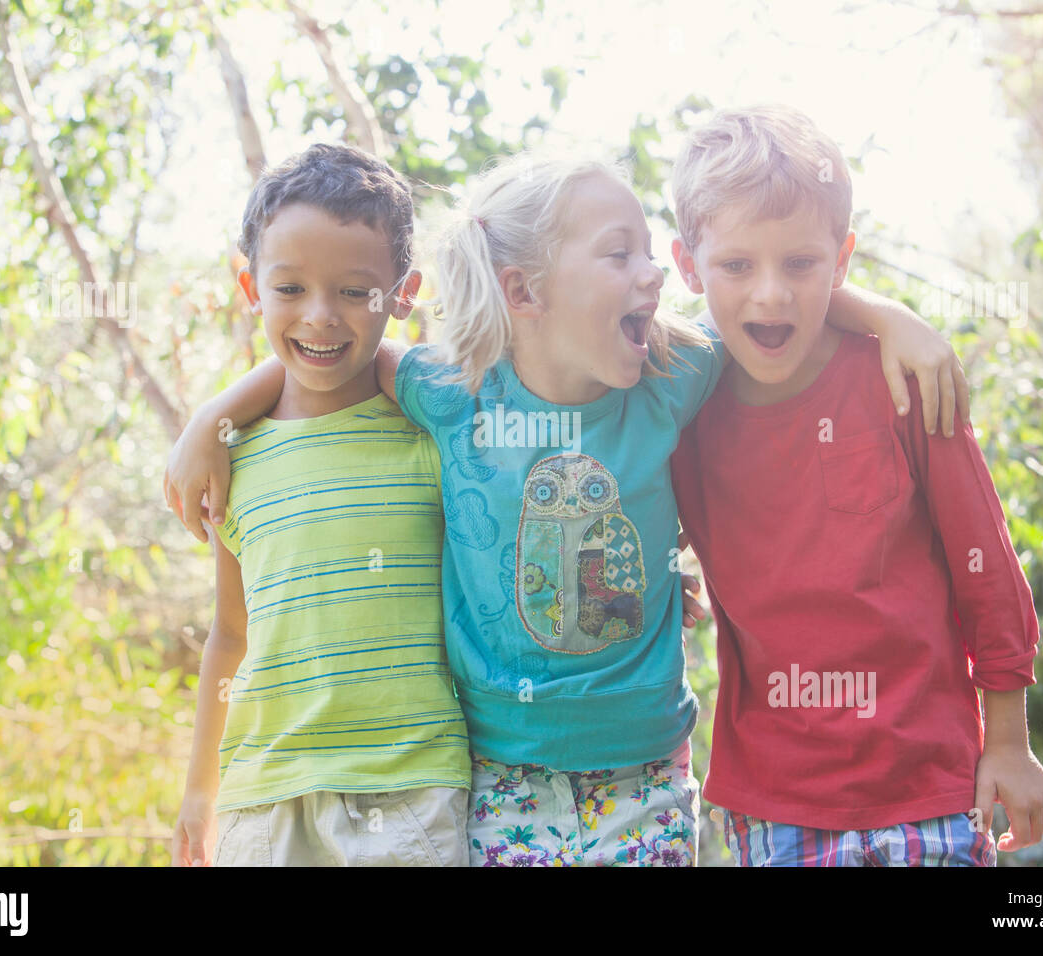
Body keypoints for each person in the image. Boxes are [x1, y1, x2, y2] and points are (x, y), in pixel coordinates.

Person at [164, 148, 968, 865]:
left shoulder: (667, 380)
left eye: (651, 254)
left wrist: (887, 316)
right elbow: (340, 355)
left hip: (645, 769)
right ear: (523, 289)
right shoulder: (453, 396)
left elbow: (768, 308)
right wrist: (216, 416)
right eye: (621, 254)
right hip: (500, 774)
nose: (652, 276)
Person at [668, 105, 1043, 866]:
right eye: (737, 266)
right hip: (772, 799)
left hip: (931, 785)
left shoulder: (903, 381)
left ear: (842, 258)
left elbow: (989, 568)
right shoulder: (676, 403)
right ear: (688, 266)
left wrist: (1007, 741)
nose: (771, 296)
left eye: (802, 265)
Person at [170, 143, 470, 867]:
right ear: (251, 288)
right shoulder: (232, 457)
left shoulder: (434, 438)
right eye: (292, 288)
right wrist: (201, 789)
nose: (322, 317)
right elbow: (231, 636)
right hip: (264, 800)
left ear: (404, 291)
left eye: (355, 291)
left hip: (411, 794)